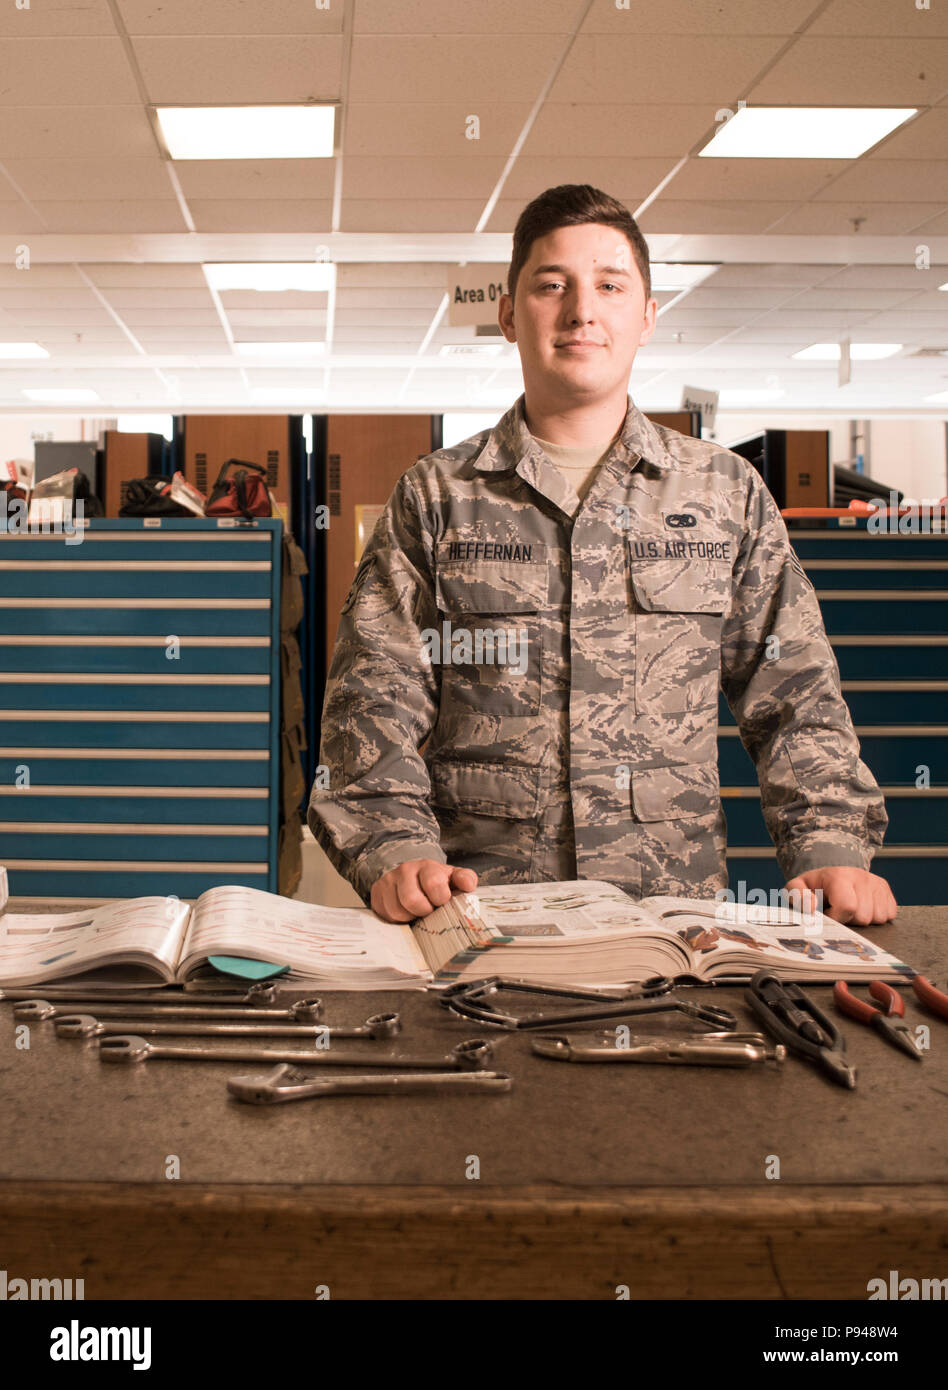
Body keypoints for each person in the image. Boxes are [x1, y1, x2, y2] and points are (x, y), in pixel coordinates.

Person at [308, 184, 896, 929]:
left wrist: (829, 843)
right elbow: (373, 697)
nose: (582, 310)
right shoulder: (437, 496)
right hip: (480, 915)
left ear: (647, 317)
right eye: (552, 285)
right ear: (508, 313)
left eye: (610, 286)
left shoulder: (725, 494)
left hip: (673, 920)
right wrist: (393, 846)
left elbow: (795, 691)